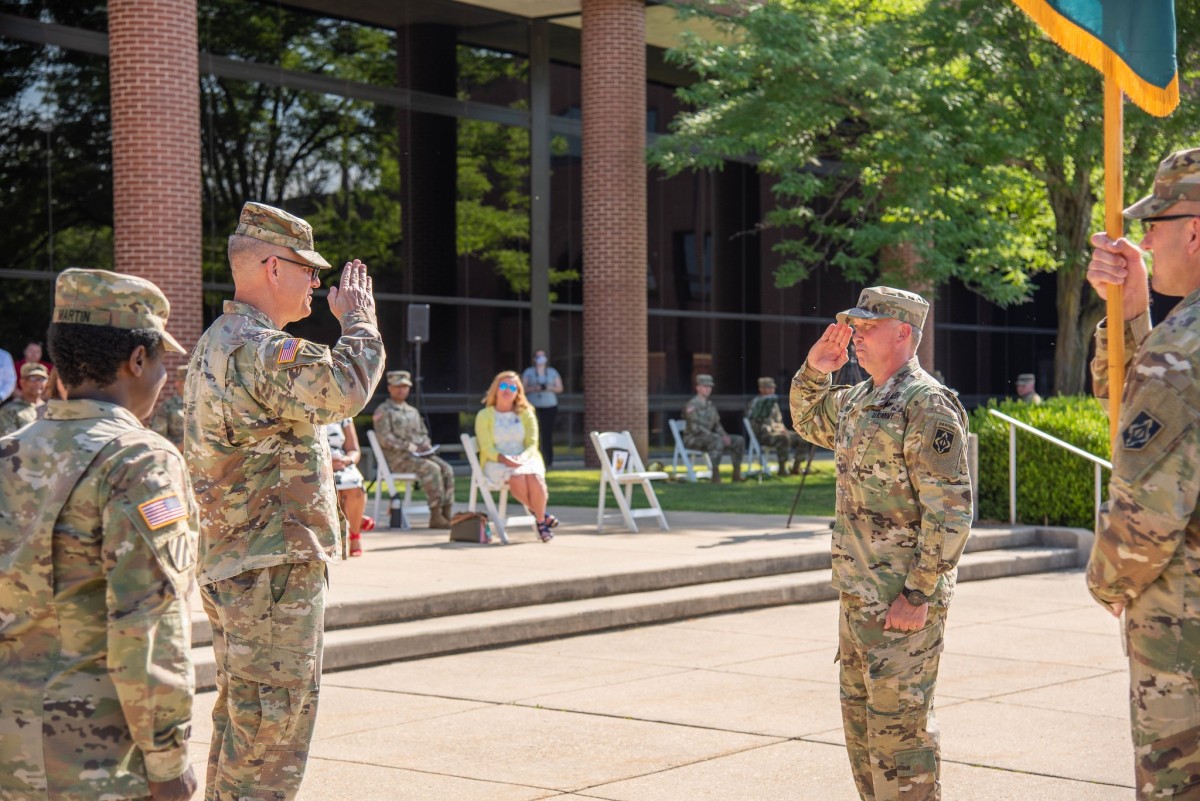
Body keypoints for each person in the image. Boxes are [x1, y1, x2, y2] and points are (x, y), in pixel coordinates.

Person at [185, 201, 385, 801]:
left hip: (240, 560)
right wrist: (360, 321)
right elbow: (346, 386)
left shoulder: (219, 341)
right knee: (273, 730)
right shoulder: (260, 347)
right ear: (274, 267)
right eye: (309, 270)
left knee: (247, 721)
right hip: (271, 565)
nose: (318, 284)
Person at [0, 268, 199, 801]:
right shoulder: (139, 460)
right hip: (93, 758)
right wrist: (168, 761)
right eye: (161, 361)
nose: (162, 376)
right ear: (137, 360)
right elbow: (147, 625)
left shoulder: (9, 451)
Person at [791, 286, 972, 801]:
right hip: (859, 597)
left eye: (868, 328)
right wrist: (815, 371)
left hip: (901, 602)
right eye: (856, 327)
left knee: (901, 739)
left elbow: (950, 512)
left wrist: (917, 593)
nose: (856, 336)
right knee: (862, 733)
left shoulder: (926, 404)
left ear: (903, 334)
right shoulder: (858, 399)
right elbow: (807, 419)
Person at [1084, 146, 1200, 801]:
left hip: (1185, 643)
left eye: (1156, 224)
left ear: (1196, 231)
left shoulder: (1182, 349)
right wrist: (1130, 309)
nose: (1147, 241)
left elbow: (1145, 515)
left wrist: (1108, 583)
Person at [475, 370, 557, 541]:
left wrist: (522, 458)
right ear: (495, 389)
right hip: (496, 461)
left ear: (518, 392)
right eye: (503, 386)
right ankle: (542, 519)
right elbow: (486, 447)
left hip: (526, 457)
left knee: (534, 477)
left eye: (513, 387)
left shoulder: (526, 413)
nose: (507, 390)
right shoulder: (484, 416)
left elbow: (532, 444)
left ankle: (540, 519)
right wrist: (504, 459)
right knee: (518, 477)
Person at [372, 370, 456, 529]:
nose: (401, 390)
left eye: (404, 386)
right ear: (390, 388)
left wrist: (426, 445)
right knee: (432, 469)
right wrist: (410, 447)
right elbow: (385, 439)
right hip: (398, 459)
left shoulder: (412, 411)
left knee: (447, 469)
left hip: (419, 456)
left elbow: (423, 433)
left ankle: (446, 514)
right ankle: (436, 515)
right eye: (398, 386)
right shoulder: (383, 411)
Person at [682, 374, 745, 483]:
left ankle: (736, 473)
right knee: (717, 441)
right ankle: (715, 473)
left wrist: (724, 435)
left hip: (711, 438)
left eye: (710, 387)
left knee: (738, 440)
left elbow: (717, 425)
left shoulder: (710, 405)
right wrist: (716, 436)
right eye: (705, 386)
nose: (708, 389)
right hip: (693, 439)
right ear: (698, 388)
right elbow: (695, 428)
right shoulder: (691, 405)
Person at [325, 417, 370, 556]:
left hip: (341, 463)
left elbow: (354, 450)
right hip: (316, 462)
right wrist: (326, 461)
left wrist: (347, 460)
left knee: (355, 485)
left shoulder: (344, 414)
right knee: (332, 490)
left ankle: (355, 536)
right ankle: (354, 520)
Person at [746, 376, 804, 475]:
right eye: (769, 388)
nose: (772, 390)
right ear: (761, 389)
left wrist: (782, 429)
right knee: (783, 438)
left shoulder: (774, 404)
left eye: (773, 387)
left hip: (779, 433)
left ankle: (796, 468)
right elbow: (756, 424)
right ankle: (782, 469)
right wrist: (777, 430)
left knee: (802, 438)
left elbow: (779, 421)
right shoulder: (755, 404)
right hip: (764, 435)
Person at [521, 349, 563, 468]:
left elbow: (560, 388)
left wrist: (548, 387)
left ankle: (548, 461)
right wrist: (534, 388)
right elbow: (522, 389)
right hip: (533, 407)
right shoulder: (528, 372)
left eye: (543, 356)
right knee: (534, 434)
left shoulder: (552, 372)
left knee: (547, 434)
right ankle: (533, 459)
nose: (541, 359)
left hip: (550, 407)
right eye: (538, 356)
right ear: (534, 359)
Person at [0, 362, 49, 436]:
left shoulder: (50, 408)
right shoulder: (9, 410)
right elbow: (8, 440)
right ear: (22, 382)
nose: (38, 383)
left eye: (42, 379)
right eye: (33, 378)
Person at [150, 364, 187, 450]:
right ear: (177, 384)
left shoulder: (204, 407)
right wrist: (179, 447)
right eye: (186, 382)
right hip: (177, 455)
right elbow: (158, 438)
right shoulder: (166, 407)